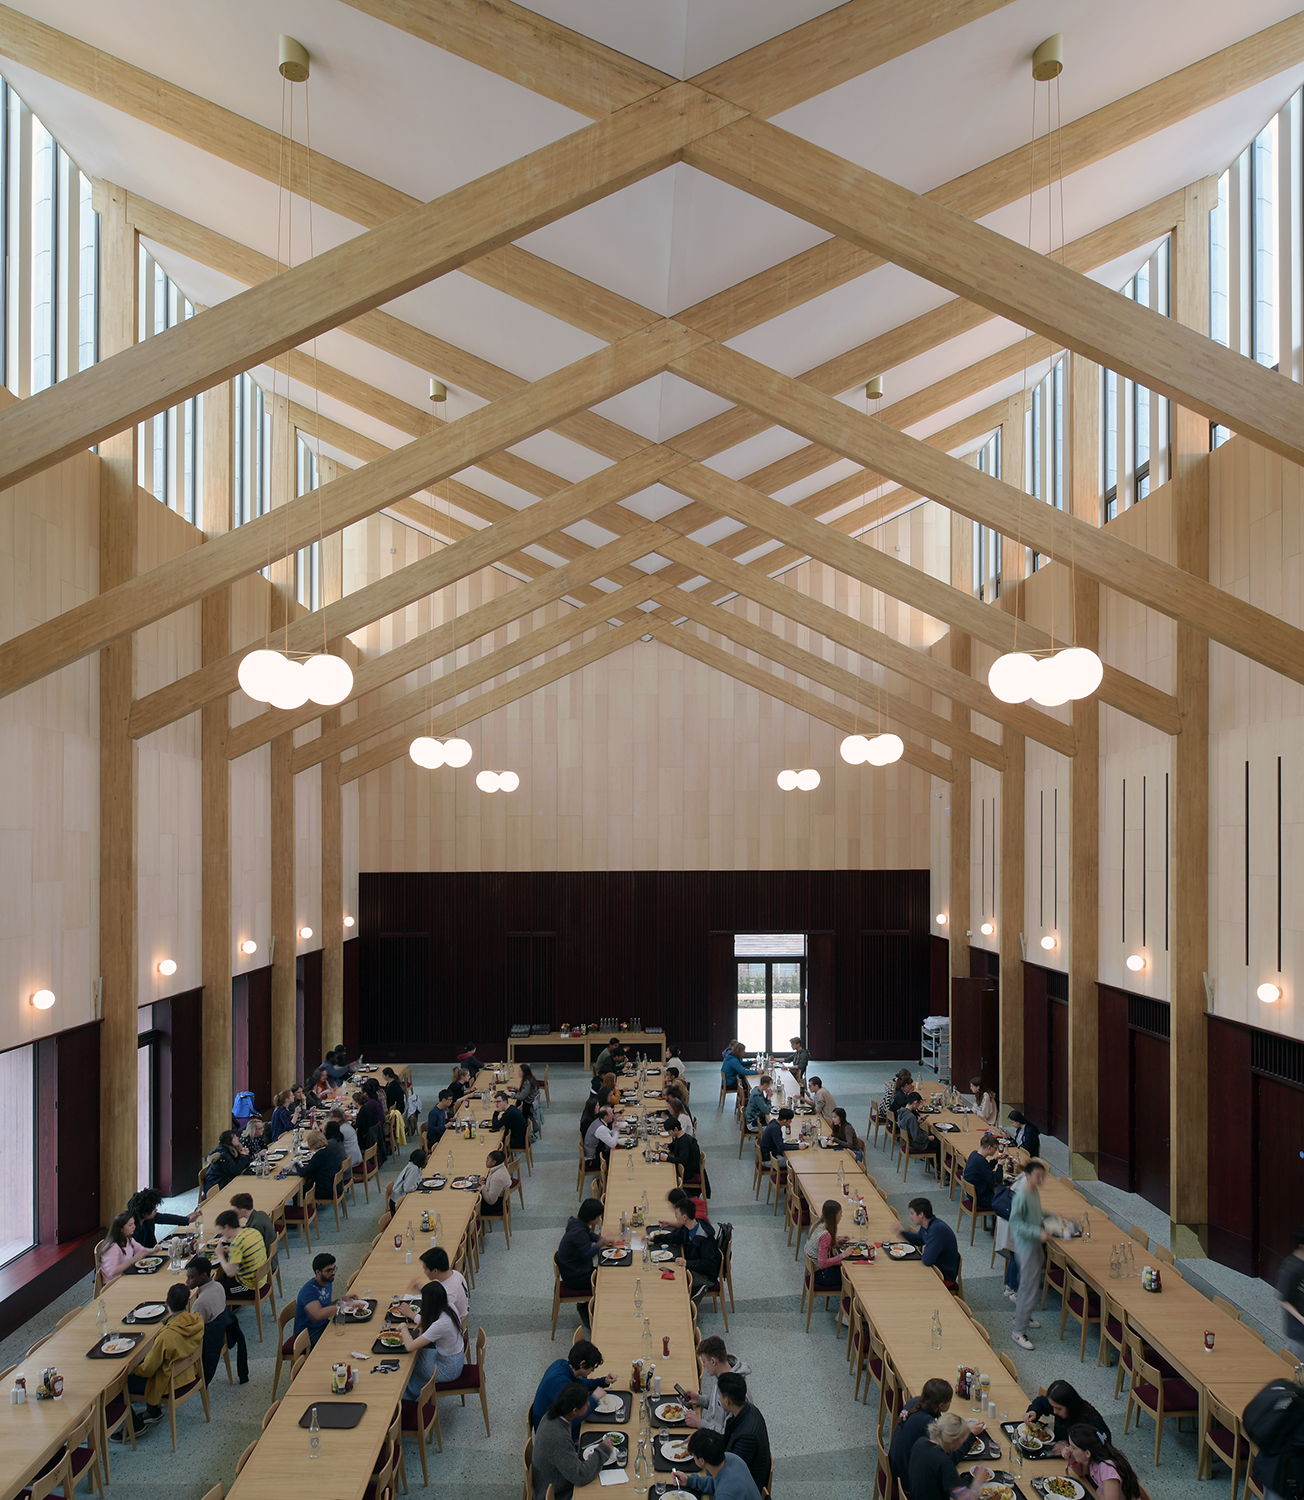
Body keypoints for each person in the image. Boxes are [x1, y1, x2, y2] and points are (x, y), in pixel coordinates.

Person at [112, 1283, 203, 1440]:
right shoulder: (197, 1320)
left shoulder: (165, 1337)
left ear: (166, 1303)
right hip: (188, 1373)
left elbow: (148, 1370)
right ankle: (154, 1412)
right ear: (188, 1303)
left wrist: (134, 1369)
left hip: (168, 1383)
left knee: (118, 1385)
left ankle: (135, 1426)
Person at [531, 1382, 613, 1500]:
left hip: (552, 1478)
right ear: (575, 1410)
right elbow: (581, 1476)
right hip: (556, 1492)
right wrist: (603, 1449)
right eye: (586, 1404)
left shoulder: (552, 1414)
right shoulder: (558, 1437)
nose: (589, 1404)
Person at [397, 1278, 464, 1400]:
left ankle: (407, 1397)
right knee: (417, 1355)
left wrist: (403, 1328)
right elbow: (432, 1323)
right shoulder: (449, 1306)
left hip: (448, 1369)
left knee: (410, 1362)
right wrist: (413, 1315)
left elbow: (410, 1346)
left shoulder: (442, 1324)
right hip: (454, 1360)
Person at [187, 1254, 248, 1386]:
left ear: (203, 1275)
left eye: (191, 1277)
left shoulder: (199, 1304)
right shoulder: (219, 1287)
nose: (188, 1282)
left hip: (207, 1342)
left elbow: (193, 1332)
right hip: (221, 1332)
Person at [530, 1338, 617, 1431]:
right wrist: (594, 1399)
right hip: (549, 1432)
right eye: (592, 1368)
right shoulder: (559, 1383)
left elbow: (579, 1383)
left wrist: (603, 1381)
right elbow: (571, 1420)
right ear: (582, 1364)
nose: (593, 1371)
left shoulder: (561, 1364)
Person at [1009, 1158, 1050, 1350]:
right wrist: (1037, 1232)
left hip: (1035, 1246)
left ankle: (1022, 1316)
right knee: (1028, 1288)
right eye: (1038, 1176)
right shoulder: (1022, 1195)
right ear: (1027, 1175)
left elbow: (1036, 1215)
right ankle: (1018, 1332)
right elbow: (1015, 1224)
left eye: (1043, 1176)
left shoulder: (1034, 1191)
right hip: (1027, 1247)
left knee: (1031, 1288)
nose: (1041, 1179)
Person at [557, 1198, 615, 1328]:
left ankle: (589, 1307)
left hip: (574, 1270)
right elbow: (586, 1255)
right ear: (592, 1218)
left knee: (607, 1273)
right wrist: (600, 1244)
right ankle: (588, 1311)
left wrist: (601, 1239)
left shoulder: (577, 1224)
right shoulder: (579, 1234)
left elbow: (589, 1234)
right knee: (606, 1281)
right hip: (575, 1277)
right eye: (598, 1217)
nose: (599, 1219)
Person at [908, 1412, 992, 1500]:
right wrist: (978, 1481)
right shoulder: (944, 1462)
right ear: (955, 1441)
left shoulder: (920, 1442)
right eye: (963, 1439)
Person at [889, 1377, 953, 1491]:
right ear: (941, 1406)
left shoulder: (915, 1401)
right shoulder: (927, 1423)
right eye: (950, 1401)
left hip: (895, 1466)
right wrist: (968, 1438)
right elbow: (945, 1456)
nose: (951, 1402)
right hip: (906, 1480)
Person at [685, 1335, 752, 1433]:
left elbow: (728, 1434)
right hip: (707, 1429)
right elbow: (716, 1406)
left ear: (713, 1361)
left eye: (704, 1362)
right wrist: (698, 1399)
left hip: (715, 1439)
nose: (703, 1365)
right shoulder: (719, 1375)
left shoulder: (734, 1391)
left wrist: (700, 1423)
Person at [673, 1428, 762, 1500]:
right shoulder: (732, 1458)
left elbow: (724, 1487)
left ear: (702, 1461)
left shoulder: (724, 1495)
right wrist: (690, 1481)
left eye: (693, 1455)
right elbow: (716, 1482)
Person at [718, 1372, 771, 1493]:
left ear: (727, 1401)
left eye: (720, 1396)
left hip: (745, 1490)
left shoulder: (747, 1437)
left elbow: (732, 1474)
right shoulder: (750, 1409)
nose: (719, 1399)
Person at [892, 1198, 961, 1289]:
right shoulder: (927, 1225)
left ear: (921, 1215)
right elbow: (919, 1239)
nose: (910, 1216)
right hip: (935, 1267)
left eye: (912, 1213)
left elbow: (927, 1260)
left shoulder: (936, 1230)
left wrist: (926, 1251)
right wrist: (901, 1233)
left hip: (944, 1276)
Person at [1027, 1380, 1111, 1452]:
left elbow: (1103, 1448)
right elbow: (1042, 1401)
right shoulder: (1058, 1405)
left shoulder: (1090, 1421)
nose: (1054, 1411)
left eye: (1059, 1409)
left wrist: (1072, 1448)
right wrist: (1034, 1411)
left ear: (1070, 1406)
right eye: (1053, 1407)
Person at [1064, 1424, 1144, 1500]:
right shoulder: (1094, 1458)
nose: (1069, 1450)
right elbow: (1081, 1472)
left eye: (1074, 1448)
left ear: (1087, 1453)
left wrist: (1099, 1492)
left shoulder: (1107, 1468)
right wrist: (1072, 1461)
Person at [665, 1198, 722, 1298]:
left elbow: (709, 1264)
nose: (675, 1217)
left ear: (684, 1217)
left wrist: (687, 1263)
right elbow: (676, 1237)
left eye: (676, 1214)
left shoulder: (704, 1238)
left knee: (677, 1280)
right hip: (694, 1266)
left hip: (706, 1276)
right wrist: (654, 1238)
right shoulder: (689, 1226)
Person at [409, 1245, 469, 1327]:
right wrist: (423, 1290)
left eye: (425, 1269)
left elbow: (433, 1323)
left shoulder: (448, 1294)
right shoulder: (456, 1274)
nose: (424, 1272)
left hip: (453, 1328)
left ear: (435, 1271)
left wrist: (412, 1315)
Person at [212, 1207, 267, 1295]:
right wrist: (231, 1250)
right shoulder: (252, 1231)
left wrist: (220, 1255)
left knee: (214, 1288)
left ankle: (229, 1307)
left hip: (250, 1286)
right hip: (262, 1278)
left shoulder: (236, 1244)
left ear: (226, 1227)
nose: (220, 1233)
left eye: (221, 1230)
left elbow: (230, 1273)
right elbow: (247, 1249)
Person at [294, 1252, 342, 1346]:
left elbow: (325, 1307)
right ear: (318, 1272)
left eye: (334, 1269)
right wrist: (342, 1306)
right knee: (340, 1343)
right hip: (310, 1334)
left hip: (322, 1326)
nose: (333, 1273)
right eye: (329, 1270)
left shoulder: (327, 1281)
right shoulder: (309, 1291)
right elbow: (318, 1315)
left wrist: (342, 1300)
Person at [294, 1124, 348, 1204]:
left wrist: (295, 1163)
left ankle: (301, 1213)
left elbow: (303, 1173)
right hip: (334, 1186)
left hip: (325, 1190)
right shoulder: (328, 1150)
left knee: (297, 1192)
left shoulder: (319, 1156)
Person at [229, 1191, 278, 1276]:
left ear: (243, 1211)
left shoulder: (256, 1225)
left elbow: (251, 1250)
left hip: (265, 1266)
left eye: (235, 1210)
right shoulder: (260, 1214)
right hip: (271, 1258)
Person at [962, 1134, 1011, 1215]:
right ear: (989, 1147)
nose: (996, 1151)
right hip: (981, 1198)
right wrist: (1000, 1166)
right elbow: (996, 1181)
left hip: (972, 1194)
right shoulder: (981, 1162)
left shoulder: (974, 1154)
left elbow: (985, 1169)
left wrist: (995, 1160)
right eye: (995, 1148)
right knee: (1006, 1200)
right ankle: (997, 1225)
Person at [126, 1188, 190, 1249]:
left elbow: (167, 1218)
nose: (156, 1210)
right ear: (144, 1212)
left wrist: (187, 1220)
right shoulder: (131, 1228)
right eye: (153, 1208)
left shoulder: (149, 1218)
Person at [98, 1211, 153, 1282]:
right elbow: (112, 1272)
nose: (134, 1227)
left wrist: (153, 1250)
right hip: (114, 1282)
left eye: (133, 1223)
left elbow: (140, 1249)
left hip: (126, 1275)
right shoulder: (112, 1247)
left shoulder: (128, 1238)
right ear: (120, 1229)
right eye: (130, 1225)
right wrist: (133, 1260)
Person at [804, 1198, 847, 1288]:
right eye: (840, 1213)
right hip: (821, 1275)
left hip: (815, 1270)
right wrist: (843, 1255)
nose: (841, 1216)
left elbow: (821, 1246)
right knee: (849, 1278)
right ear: (834, 1216)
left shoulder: (817, 1224)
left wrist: (837, 1241)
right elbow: (823, 1263)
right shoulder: (825, 1235)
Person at [1277, 1226, 1304, 1361]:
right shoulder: (1291, 1269)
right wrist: (1301, 1318)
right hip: (1298, 1332)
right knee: (1296, 1367)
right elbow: (1283, 1299)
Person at [897, 1093, 940, 1166]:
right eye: (919, 1103)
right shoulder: (911, 1117)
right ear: (915, 1102)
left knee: (933, 1137)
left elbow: (908, 1126)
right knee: (939, 1143)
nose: (918, 1106)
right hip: (915, 1144)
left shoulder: (902, 1111)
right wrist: (928, 1138)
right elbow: (917, 1138)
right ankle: (937, 1167)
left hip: (909, 1141)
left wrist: (917, 1123)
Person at [202, 1130, 245, 1195]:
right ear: (228, 1140)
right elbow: (237, 1171)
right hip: (217, 1185)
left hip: (224, 1181)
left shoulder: (233, 1150)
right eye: (234, 1137)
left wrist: (244, 1155)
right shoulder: (224, 1154)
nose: (238, 1138)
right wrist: (243, 1156)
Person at [667, 1116, 704, 1185]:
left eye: (669, 1131)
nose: (669, 1133)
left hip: (687, 1172)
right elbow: (675, 1145)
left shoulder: (684, 1142)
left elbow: (682, 1159)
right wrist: (668, 1146)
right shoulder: (680, 1136)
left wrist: (667, 1158)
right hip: (685, 1167)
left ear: (675, 1129)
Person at [389, 1147, 428, 1213]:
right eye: (425, 1160)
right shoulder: (413, 1169)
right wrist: (417, 1184)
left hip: (397, 1198)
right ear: (418, 1161)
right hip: (397, 1202)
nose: (427, 1162)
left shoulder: (415, 1166)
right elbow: (408, 1189)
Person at [480, 1149, 513, 1215]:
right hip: (497, 1198)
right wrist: (486, 1181)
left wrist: (483, 1186)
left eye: (488, 1160)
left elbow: (491, 1200)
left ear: (494, 1162)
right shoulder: (500, 1167)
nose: (486, 1161)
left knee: (473, 1206)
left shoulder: (497, 1178)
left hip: (495, 1205)